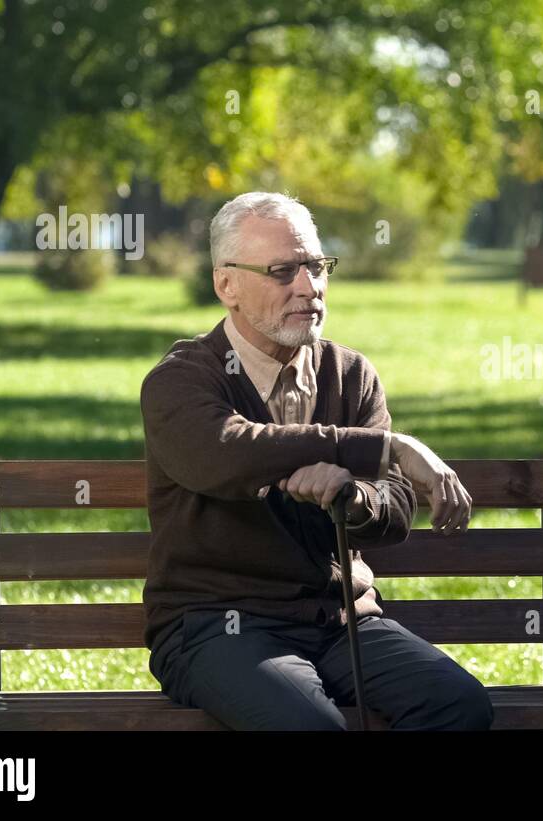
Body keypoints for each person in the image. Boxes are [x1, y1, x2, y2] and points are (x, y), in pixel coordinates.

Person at [140, 191, 492, 730]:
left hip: (340, 622)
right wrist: (387, 448)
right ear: (226, 284)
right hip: (217, 626)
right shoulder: (182, 379)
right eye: (283, 271)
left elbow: (395, 506)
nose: (309, 287)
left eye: (316, 266)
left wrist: (350, 498)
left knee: (459, 706)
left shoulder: (351, 375)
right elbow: (226, 453)